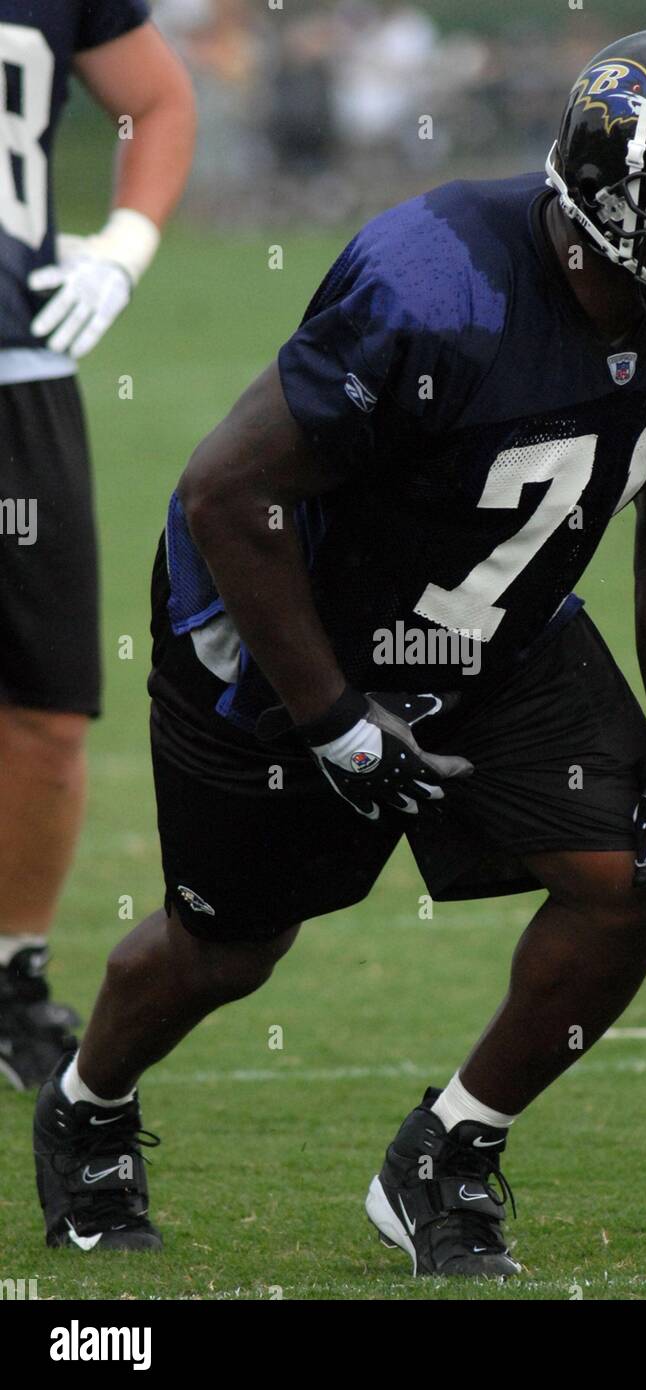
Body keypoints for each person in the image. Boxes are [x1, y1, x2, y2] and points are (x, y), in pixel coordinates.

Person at [33, 29, 646, 1272]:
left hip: (497, 625)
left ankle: (446, 1153)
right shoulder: (437, 284)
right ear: (602, 201)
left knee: (640, 873)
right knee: (227, 947)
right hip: (282, 629)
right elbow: (230, 498)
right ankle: (89, 1106)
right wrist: (328, 714)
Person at [0, 2, 195, 1090]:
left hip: (17, 374)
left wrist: (124, 245)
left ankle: (11, 977)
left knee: (45, 709)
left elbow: (159, 97)